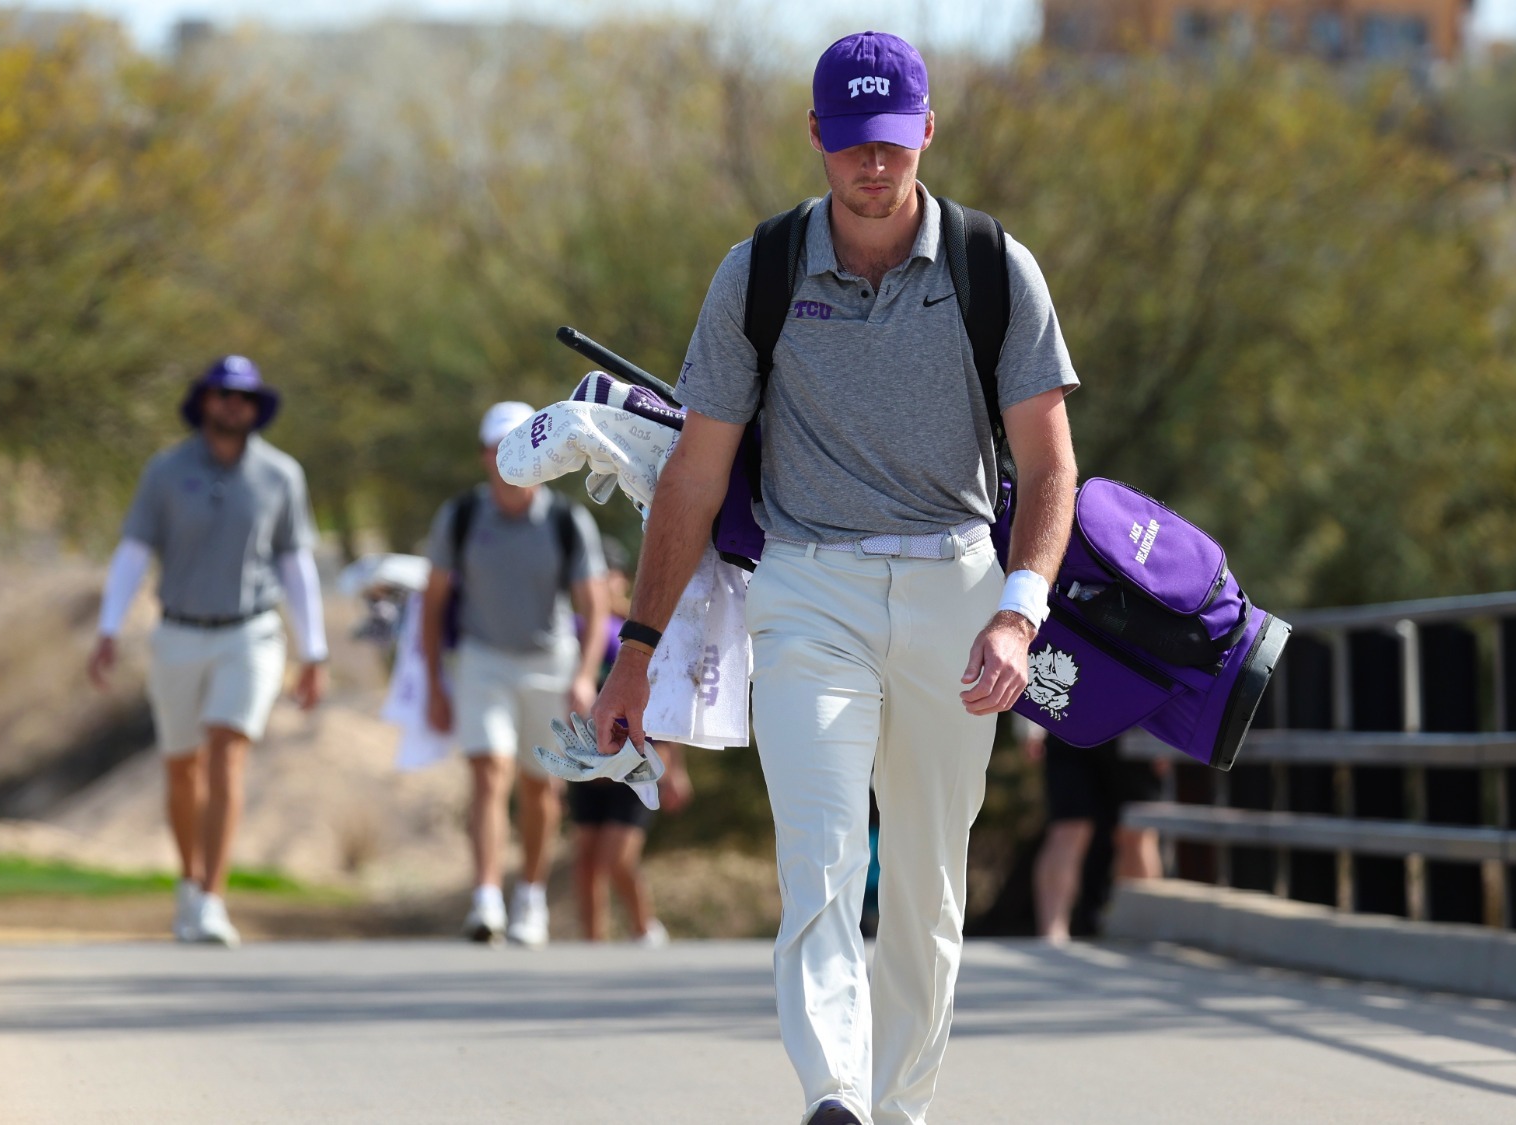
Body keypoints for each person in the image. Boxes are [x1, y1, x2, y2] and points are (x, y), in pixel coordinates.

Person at [593, 33, 1081, 1125]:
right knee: (816, 856)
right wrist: (636, 654)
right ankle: (835, 1098)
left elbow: (1049, 469)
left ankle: (897, 1111)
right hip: (807, 588)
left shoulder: (991, 266)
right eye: (853, 142)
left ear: (926, 135)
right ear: (816, 136)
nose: (874, 166)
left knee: (923, 890)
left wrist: (1016, 614)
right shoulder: (758, 272)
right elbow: (691, 479)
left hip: (960, 598)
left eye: (894, 143)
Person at [88, 356, 328, 948]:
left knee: (227, 750)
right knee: (181, 765)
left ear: (255, 408)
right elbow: (134, 551)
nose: (232, 405)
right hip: (178, 632)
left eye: (243, 397)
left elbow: (296, 563)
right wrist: (108, 628)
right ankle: (189, 882)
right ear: (203, 403)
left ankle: (214, 899)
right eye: (222, 395)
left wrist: (314, 649)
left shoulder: (280, 475)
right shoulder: (166, 472)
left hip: (251, 632)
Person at [421, 402, 609, 947]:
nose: (508, 457)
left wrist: (583, 674)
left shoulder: (565, 521)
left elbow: (594, 606)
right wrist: (434, 681)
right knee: (487, 771)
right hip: (482, 660)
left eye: (519, 444)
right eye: (497, 447)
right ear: (484, 455)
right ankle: (485, 898)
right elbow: (432, 605)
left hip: (549, 663)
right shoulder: (460, 518)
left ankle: (529, 896)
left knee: (540, 786)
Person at [570, 540, 690, 946]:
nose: (600, 583)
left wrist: (675, 769)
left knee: (617, 860)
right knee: (585, 861)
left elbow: (667, 701)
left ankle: (645, 930)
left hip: (638, 762)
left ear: (621, 579)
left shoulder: (642, 632)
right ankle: (594, 946)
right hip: (589, 766)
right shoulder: (575, 632)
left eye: (608, 575)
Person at [1019, 719, 1163, 944]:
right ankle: (1051, 937)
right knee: (1068, 828)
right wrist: (1031, 727)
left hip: (1139, 721)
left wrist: (1171, 735)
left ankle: (1142, 934)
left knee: (1136, 832)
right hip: (1068, 717)